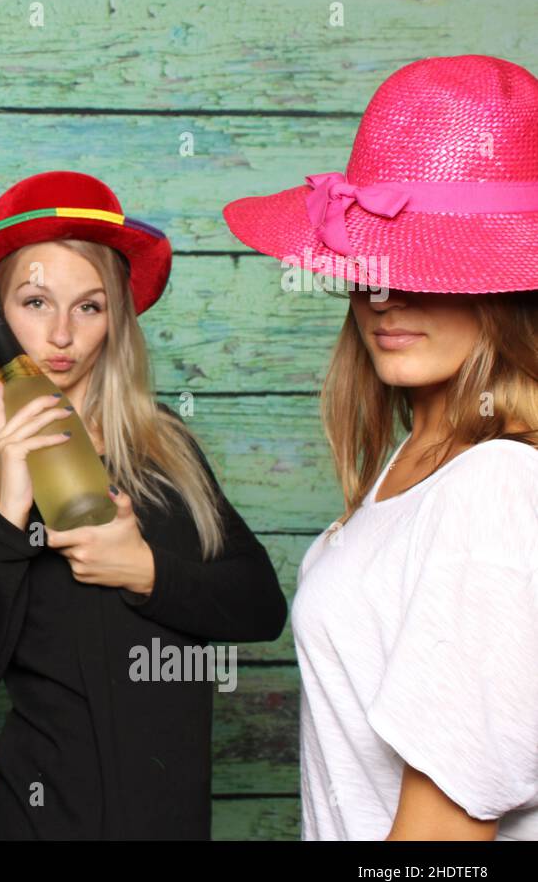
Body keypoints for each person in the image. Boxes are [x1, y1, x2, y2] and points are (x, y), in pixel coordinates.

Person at [0, 163, 288, 839]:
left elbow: (261, 607)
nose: (61, 335)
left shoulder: (162, 447)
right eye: (35, 302)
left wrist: (144, 570)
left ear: (116, 318)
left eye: (89, 305)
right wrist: (8, 505)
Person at [224, 54, 538, 840]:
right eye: (370, 263)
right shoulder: (416, 461)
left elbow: (441, 849)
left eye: (428, 265)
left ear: (508, 289)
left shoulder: (497, 484)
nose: (384, 293)